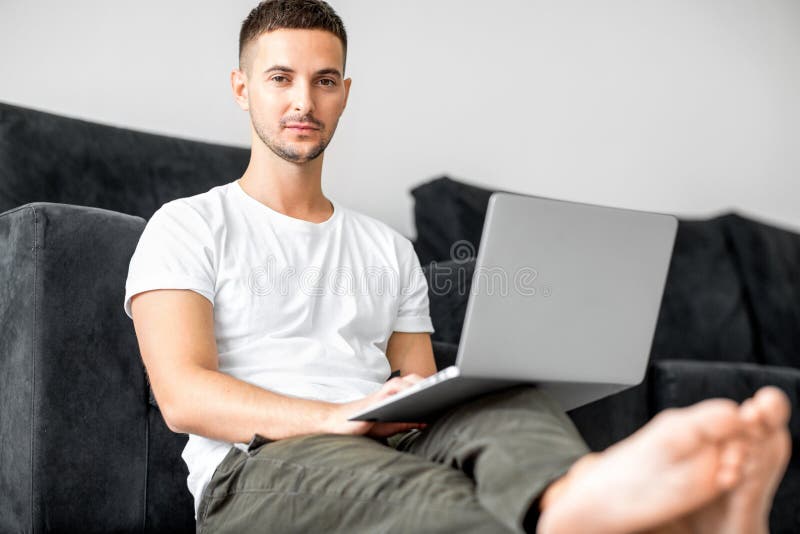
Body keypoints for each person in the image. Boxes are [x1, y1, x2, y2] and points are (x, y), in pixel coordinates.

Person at [124, 1, 792, 532]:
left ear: (345, 93)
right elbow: (183, 396)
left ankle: (572, 500)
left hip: (377, 442)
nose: (303, 101)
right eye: (280, 78)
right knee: (426, 495)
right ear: (242, 89)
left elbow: (418, 391)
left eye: (324, 81)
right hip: (255, 472)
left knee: (509, 403)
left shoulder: (385, 248)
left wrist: (452, 394)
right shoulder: (188, 225)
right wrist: (334, 415)